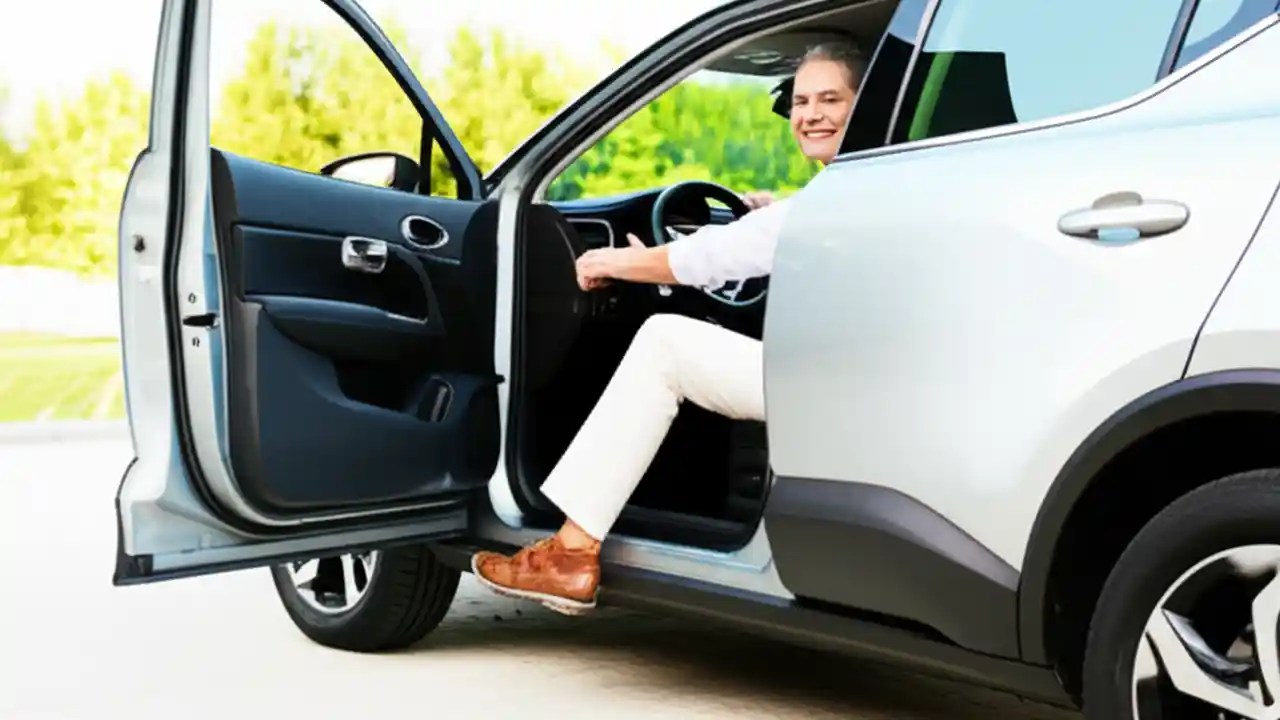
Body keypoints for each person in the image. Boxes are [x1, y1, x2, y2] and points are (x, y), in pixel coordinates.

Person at [472, 42, 866, 614]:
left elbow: (707, 261)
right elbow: (774, 237)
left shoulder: (841, 195)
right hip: (853, 374)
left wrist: (609, 262)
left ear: (864, 107)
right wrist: (766, 214)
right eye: (801, 101)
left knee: (663, 342)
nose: (810, 114)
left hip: (832, 384)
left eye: (831, 99)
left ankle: (570, 553)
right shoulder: (853, 190)